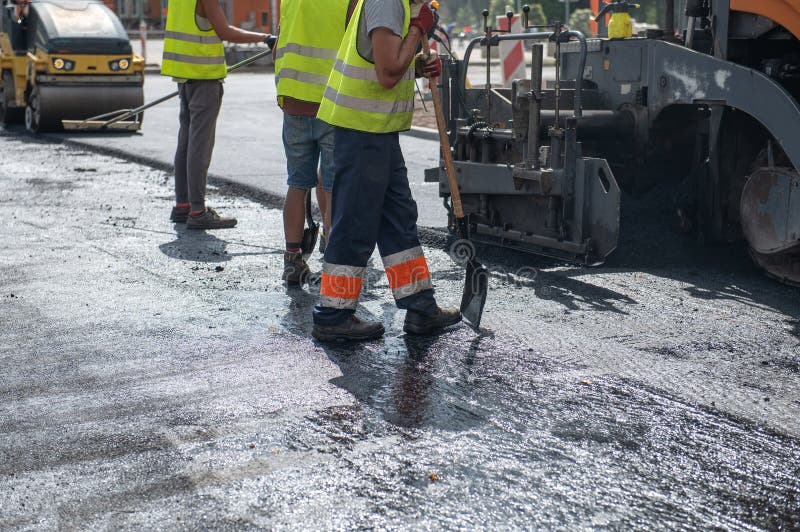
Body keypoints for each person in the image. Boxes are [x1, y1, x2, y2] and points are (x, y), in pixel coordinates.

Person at [311, 0, 462, 342]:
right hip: (363, 129)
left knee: (398, 216)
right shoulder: (387, 1)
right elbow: (387, 72)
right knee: (355, 221)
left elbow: (390, 61)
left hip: (377, 131)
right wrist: (418, 29)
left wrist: (418, 66)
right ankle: (332, 314)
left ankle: (420, 306)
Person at [162, 0, 274, 229]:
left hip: (185, 75)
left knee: (186, 141)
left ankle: (183, 205)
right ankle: (198, 210)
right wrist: (265, 38)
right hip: (204, 77)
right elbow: (225, 31)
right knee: (199, 146)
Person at [273, 0, 352, 283]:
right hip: (331, 104)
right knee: (333, 189)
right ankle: (332, 264)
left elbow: (277, 49)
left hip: (293, 102)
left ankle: (292, 261)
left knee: (297, 184)